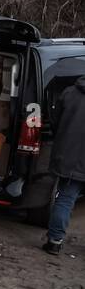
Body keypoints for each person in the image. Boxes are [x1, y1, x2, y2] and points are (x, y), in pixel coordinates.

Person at [44, 76, 85, 255]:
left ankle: (54, 241)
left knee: (65, 199)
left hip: (69, 157)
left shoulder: (70, 92)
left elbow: (55, 122)